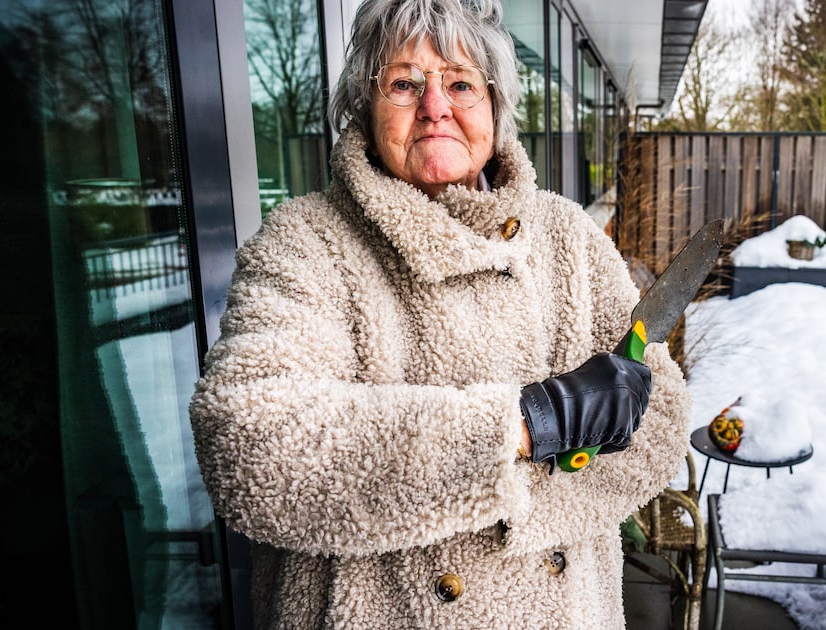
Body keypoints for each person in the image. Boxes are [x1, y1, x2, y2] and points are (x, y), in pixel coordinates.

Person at [187, 0, 691, 627]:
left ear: (495, 106)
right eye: (404, 84)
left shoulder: (566, 235)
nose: (435, 106)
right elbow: (249, 445)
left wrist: (554, 480)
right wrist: (522, 428)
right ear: (365, 107)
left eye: (460, 83)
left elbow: (662, 410)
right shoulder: (305, 241)